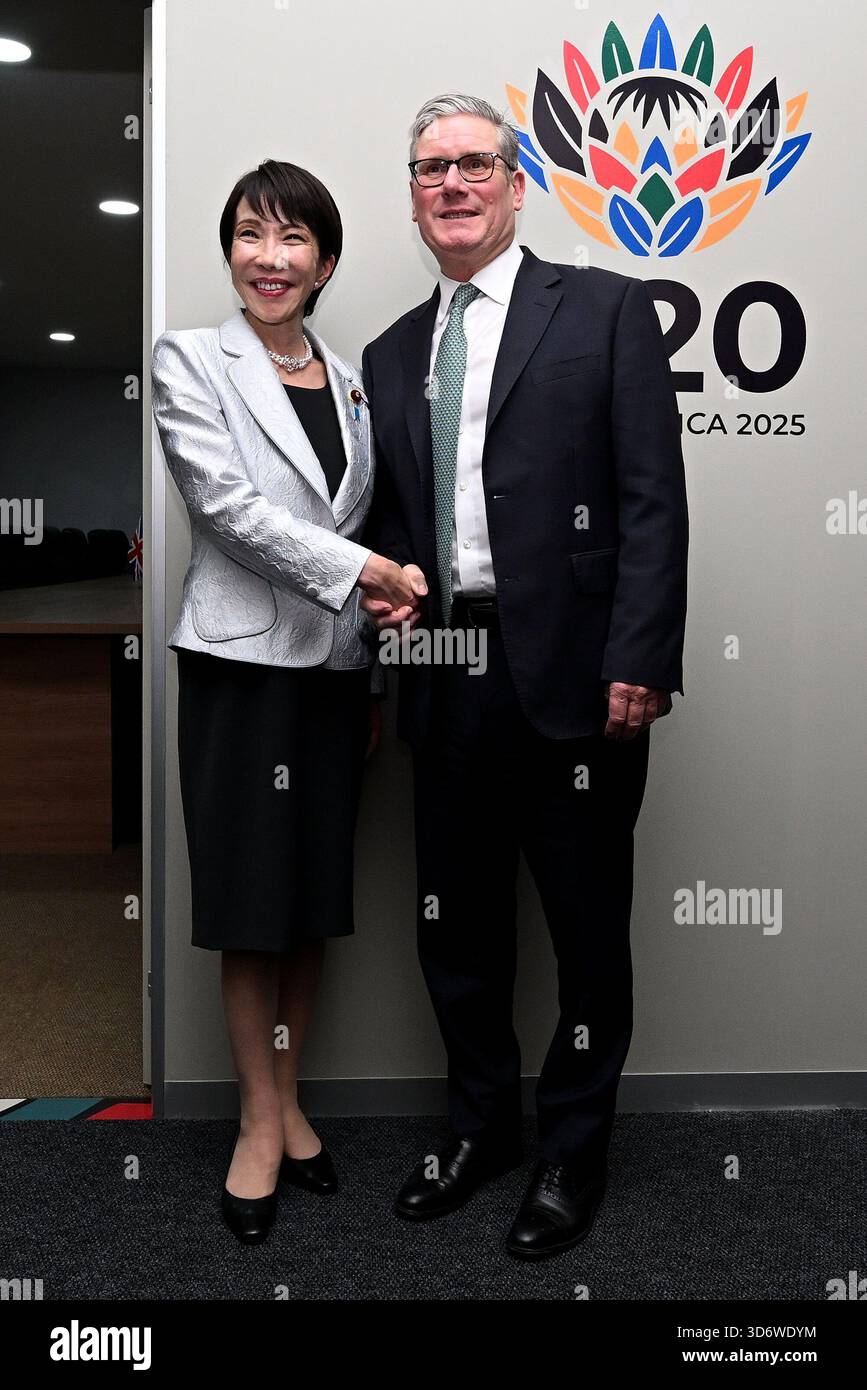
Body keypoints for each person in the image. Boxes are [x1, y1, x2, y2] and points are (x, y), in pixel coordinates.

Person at [360, 95, 689, 1259]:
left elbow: (652, 499)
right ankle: (479, 1127)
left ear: (515, 182)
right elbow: (392, 527)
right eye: (430, 168)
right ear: (413, 192)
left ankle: (571, 1150)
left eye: (474, 165)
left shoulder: (602, 310)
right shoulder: (393, 352)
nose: (451, 184)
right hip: (447, 676)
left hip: (579, 677)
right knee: (456, 929)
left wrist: (641, 657)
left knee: (589, 934)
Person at [151, 159, 414, 1244]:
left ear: (326, 262)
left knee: (312, 903)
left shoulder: (352, 379)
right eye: (252, 236)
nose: (271, 258)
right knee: (252, 905)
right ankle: (257, 1123)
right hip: (242, 668)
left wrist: (380, 615)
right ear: (231, 252)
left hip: (334, 675)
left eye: (294, 240)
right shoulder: (190, 359)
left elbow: (365, 516)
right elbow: (225, 509)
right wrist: (362, 573)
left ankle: (291, 1096)